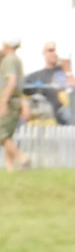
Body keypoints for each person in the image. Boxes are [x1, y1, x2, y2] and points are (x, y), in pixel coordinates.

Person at [20, 43, 69, 123]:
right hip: (45, 123)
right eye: (50, 50)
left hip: (68, 122)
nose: (55, 53)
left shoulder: (69, 74)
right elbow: (17, 90)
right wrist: (24, 104)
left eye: (57, 50)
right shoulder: (35, 77)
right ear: (43, 53)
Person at [0, 32, 24, 171]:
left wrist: (3, 102)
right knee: (8, 135)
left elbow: (11, 82)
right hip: (14, 101)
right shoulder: (15, 59)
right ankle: (11, 168)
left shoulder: (9, 59)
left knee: (1, 134)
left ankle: (22, 158)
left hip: (8, 101)